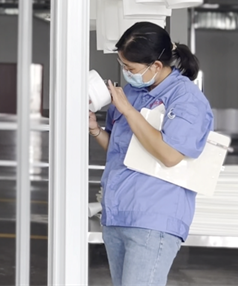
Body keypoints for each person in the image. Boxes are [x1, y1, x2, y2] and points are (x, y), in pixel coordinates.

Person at [89, 22, 213, 286]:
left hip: (153, 219)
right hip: (117, 213)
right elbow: (122, 150)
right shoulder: (131, 93)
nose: (126, 74)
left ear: (155, 65)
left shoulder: (185, 98)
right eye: (123, 66)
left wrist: (128, 110)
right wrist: (96, 131)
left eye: (131, 68)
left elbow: (170, 155)